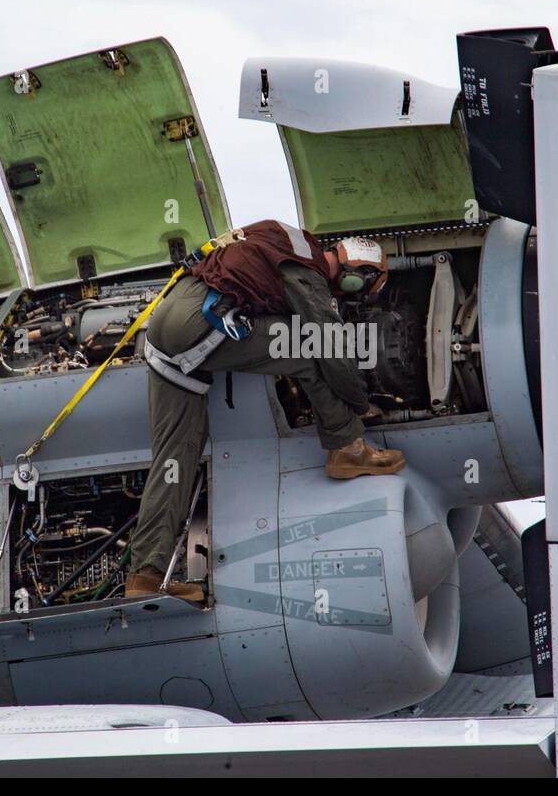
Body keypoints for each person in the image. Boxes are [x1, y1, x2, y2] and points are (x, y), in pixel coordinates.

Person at [125, 220, 405, 600]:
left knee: (174, 460)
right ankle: (347, 447)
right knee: (308, 350)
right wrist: (359, 403)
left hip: (166, 335)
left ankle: (145, 577)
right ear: (357, 276)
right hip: (200, 325)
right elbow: (328, 345)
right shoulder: (308, 271)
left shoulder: (283, 236)